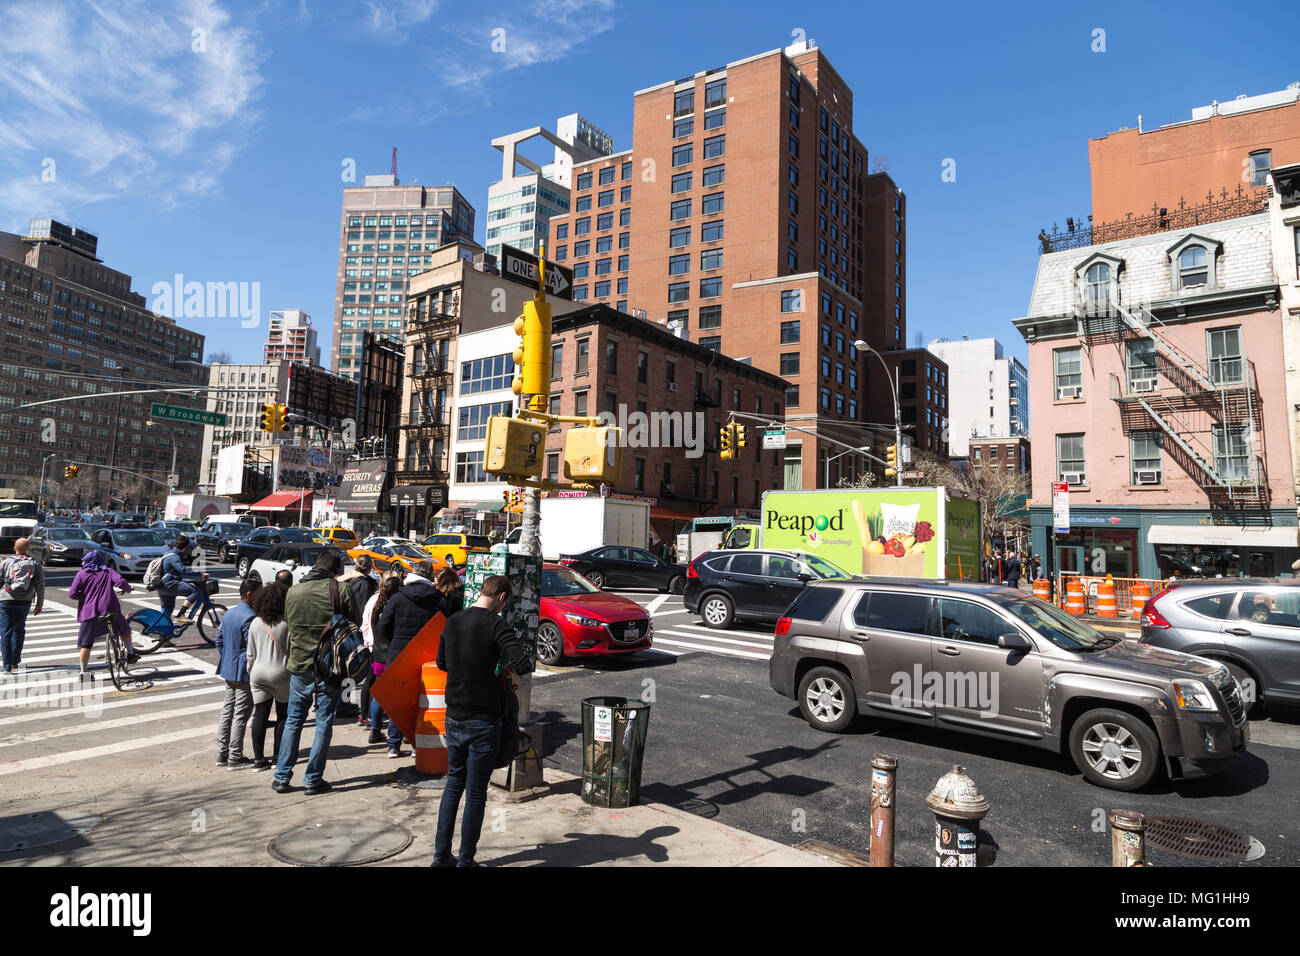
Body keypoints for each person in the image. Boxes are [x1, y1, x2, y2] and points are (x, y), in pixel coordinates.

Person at [433, 575, 532, 868]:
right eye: (506, 602)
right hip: (484, 720)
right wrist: (503, 671)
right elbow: (524, 664)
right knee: (476, 792)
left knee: (453, 784)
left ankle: (440, 857)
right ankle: (466, 860)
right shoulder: (496, 624)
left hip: (454, 716)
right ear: (501, 596)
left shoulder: (453, 621)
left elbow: (442, 663)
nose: (504, 608)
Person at [273, 549, 361, 795]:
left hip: (300, 665)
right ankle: (313, 779)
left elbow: (289, 623)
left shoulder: (293, 592)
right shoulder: (340, 590)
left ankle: (281, 776)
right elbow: (354, 621)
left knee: (294, 720)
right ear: (336, 570)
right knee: (323, 721)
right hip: (329, 666)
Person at [375, 560, 446, 758]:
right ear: (431, 576)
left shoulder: (397, 598)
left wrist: (395, 640)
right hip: (427, 657)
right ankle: (417, 744)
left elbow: (383, 627)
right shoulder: (439, 599)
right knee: (423, 701)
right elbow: (445, 627)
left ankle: (393, 745)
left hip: (398, 653)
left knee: (398, 701)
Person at [67, 548, 134, 680]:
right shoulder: (108, 571)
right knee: (124, 629)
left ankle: (83, 673)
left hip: (90, 612)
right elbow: (120, 582)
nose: (82, 562)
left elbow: (72, 594)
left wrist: (84, 597)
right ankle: (130, 653)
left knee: (86, 642)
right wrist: (129, 588)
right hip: (110, 609)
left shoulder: (81, 574)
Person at [215, 578, 261, 770]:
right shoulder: (250, 617)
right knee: (240, 715)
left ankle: (222, 753)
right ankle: (234, 756)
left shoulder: (230, 613)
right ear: (250, 595)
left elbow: (219, 641)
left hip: (228, 668)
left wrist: (228, 658)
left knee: (228, 711)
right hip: (242, 672)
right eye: (258, 593)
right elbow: (251, 648)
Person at [246, 583, 291, 771]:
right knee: (282, 716)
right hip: (281, 673)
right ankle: (276, 757)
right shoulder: (287, 623)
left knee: (260, 716)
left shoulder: (255, 622)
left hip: (258, 672)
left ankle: (258, 760)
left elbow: (250, 654)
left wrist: (251, 671)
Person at [362, 570, 403, 739]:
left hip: (378, 654)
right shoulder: (395, 604)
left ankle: (375, 727)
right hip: (391, 654)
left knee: (379, 692)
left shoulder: (376, 603)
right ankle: (397, 731)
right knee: (396, 695)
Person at [0, 537, 45, 674]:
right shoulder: (35, 563)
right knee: (19, 630)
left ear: (15, 548)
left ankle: (7, 665)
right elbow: (40, 585)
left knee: (6, 632)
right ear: (28, 549)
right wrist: (39, 604)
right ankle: (15, 660)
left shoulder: (6, 562)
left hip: (6, 600)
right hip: (24, 601)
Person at [160, 534, 208, 625]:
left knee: (167, 609)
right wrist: (200, 573)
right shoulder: (174, 556)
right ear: (185, 548)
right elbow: (183, 569)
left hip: (162, 585)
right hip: (170, 584)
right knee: (196, 592)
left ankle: (164, 632)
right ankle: (180, 616)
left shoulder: (168, 553)